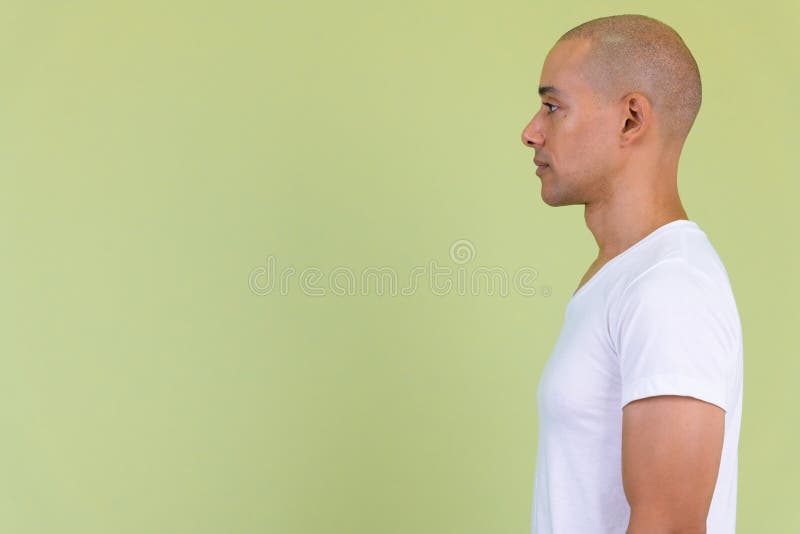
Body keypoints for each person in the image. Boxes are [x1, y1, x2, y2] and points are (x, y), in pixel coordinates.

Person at [520, 14, 743, 534]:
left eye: (553, 107)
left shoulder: (670, 287)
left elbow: (670, 526)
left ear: (631, 119)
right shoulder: (624, 276)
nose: (531, 132)